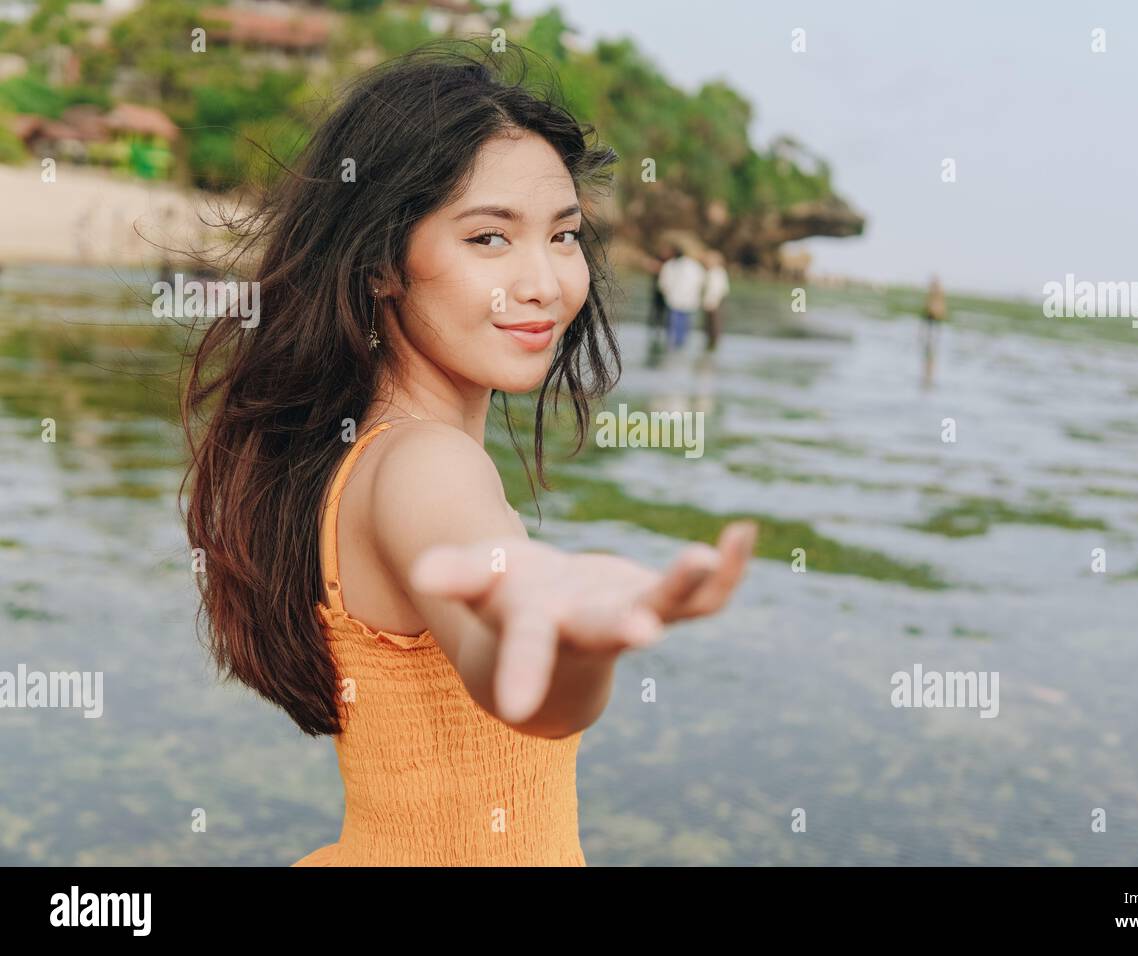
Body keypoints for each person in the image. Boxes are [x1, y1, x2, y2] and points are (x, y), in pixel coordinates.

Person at [180, 43, 756, 867]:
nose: (544, 283)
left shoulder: (360, 457)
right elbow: (509, 677)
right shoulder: (427, 467)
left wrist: (553, 623)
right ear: (381, 263)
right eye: (489, 238)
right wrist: (567, 640)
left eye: (563, 235)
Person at [656, 244, 706, 350]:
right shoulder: (694, 266)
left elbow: (663, 283)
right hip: (683, 301)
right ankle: (678, 345)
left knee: (674, 325)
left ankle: (674, 345)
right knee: (681, 327)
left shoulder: (672, 265)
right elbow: (701, 282)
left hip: (680, 300)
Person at [921, 274, 948, 388]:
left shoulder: (937, 291)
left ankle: (932, 344)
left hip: (934, 313)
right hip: (933, 313)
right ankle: (931, 344)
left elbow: (937, 303)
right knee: (932, 332)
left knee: (933, 331)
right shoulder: (936, 291)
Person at [700, 250, 730, 351]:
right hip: (712, 302)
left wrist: (711, 302)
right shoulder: (711, 272)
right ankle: (710, 345)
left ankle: (712, 346)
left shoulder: (717, 272)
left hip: (715, 302)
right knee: (709, 327)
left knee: (714, 326)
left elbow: (716, 290)